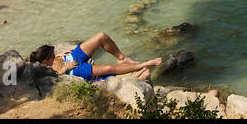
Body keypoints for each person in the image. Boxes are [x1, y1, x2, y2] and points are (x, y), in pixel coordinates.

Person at [30, 34, 160, 82]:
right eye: (52, 55)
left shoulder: (40, 60)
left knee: (101, 37)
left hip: (72, 56)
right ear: (46, 62)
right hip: (75, 69)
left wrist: (61, 55)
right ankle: (144, 64)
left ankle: (122, 57)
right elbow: (54, 79)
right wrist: (65, 69)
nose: (54, 55)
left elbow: (55, 57)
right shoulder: (42, 72)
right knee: (110, 68)